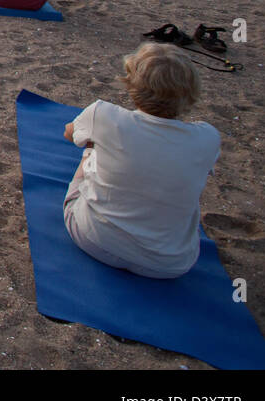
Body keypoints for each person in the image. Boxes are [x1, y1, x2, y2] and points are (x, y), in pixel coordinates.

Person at [62, 42, 221, 279]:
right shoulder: (208, 137)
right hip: (169, 264)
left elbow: (69, 132)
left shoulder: (104, 115)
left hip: (94, 239)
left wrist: (93, 143)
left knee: (91, 149)